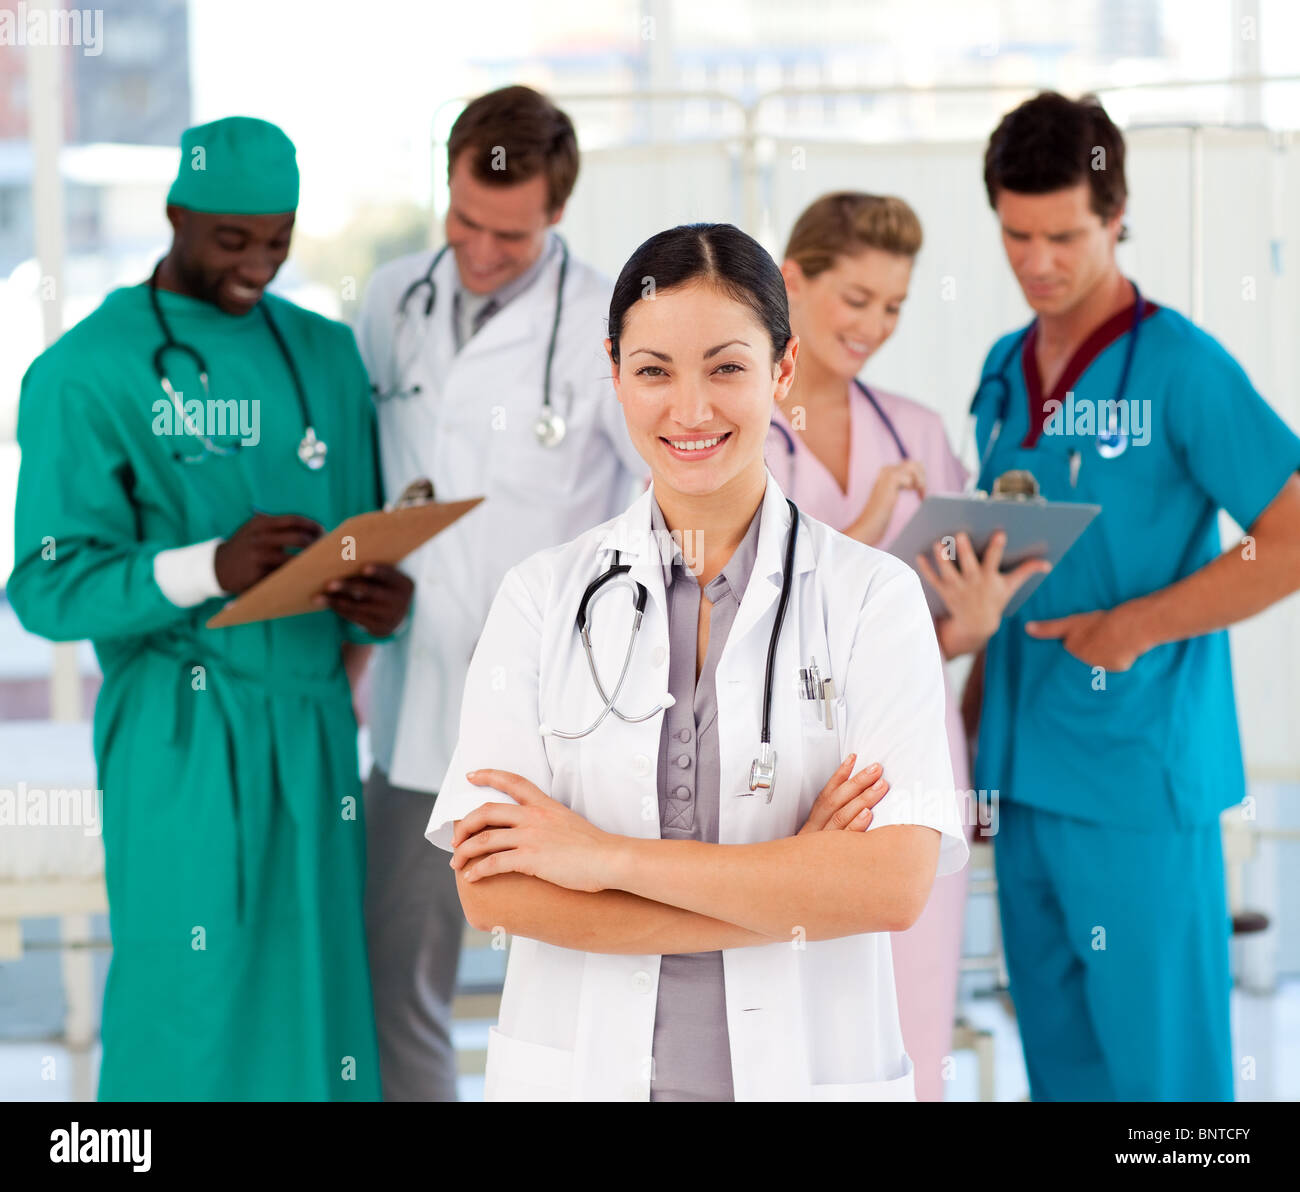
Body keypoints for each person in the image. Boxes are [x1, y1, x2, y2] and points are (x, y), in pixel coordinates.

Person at [424, 222, 969, 1102]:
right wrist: (792, 889)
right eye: (653, 371)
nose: (690, 409)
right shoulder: (540, 598)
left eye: (726, 367)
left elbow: (893, 885)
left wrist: (602, 859)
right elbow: (497, 895)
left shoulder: (874, 598)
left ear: (781, 370)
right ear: (614, 372)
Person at [7, 116, 413, 1100]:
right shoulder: (86, 372)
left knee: (317, 1002)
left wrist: (378, 603)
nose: (258, 265)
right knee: (187, 998)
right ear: (176, 216)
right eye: (233, 240)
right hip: (181, 731)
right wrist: (207, 567)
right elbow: (49, 586)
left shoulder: (321, 356)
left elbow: (358, 527)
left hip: (313, 729)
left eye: (277, 239)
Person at [969, 92, 1300, 1101]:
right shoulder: (1001, 366)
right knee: (1061, 1066)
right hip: (1022, 773)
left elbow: (1286, 538)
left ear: (1115, 216)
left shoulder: (1182, 368)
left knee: (1165, 1081)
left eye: (1063, 235)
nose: (1037, 263)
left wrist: (1136, 625)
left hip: (1137, 776)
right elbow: (1009, 545)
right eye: (1015, 235)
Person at [353, 85, 647, 1101]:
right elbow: (365, 483)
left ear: (556, 214)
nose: (479, 254)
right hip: (418, 714)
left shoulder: (610, 326)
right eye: (465, 223)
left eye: (510, 238)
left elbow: (667, 503)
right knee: (394, 986)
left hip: (564, 719)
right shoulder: (392, 300)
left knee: (578, 990)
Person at [768, 191, 1046, 1101]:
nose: (874, 328)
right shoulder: (731, 431)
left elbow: (936, 624)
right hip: (785, 763)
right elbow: (741, 614)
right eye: (856, 300)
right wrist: (866, 518)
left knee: (914, 1017)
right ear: (791, 282)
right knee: (788, 1025)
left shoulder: (918, 433)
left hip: (911, 760)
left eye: (893, 308)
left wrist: (970, 623)